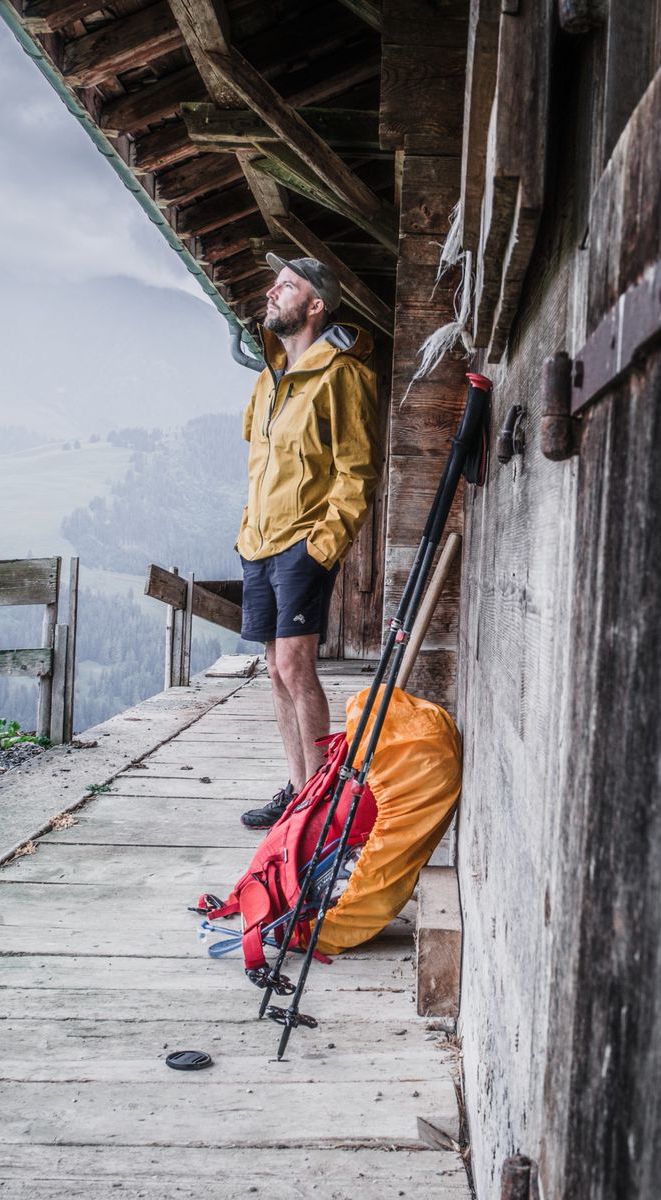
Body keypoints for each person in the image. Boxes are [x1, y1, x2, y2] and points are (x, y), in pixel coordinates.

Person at [236, 255, 379, 829]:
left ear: (315, 305)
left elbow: (358, 473)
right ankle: (299, 791)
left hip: (302, 544)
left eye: (286, 285)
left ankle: (322, 799)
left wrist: (320, 548)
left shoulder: (343, 375)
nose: (272, 291)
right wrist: (248, 529)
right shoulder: (268, 379)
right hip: (258, 543)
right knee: (274, 668)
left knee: (295, 667)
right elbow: (257, 458)